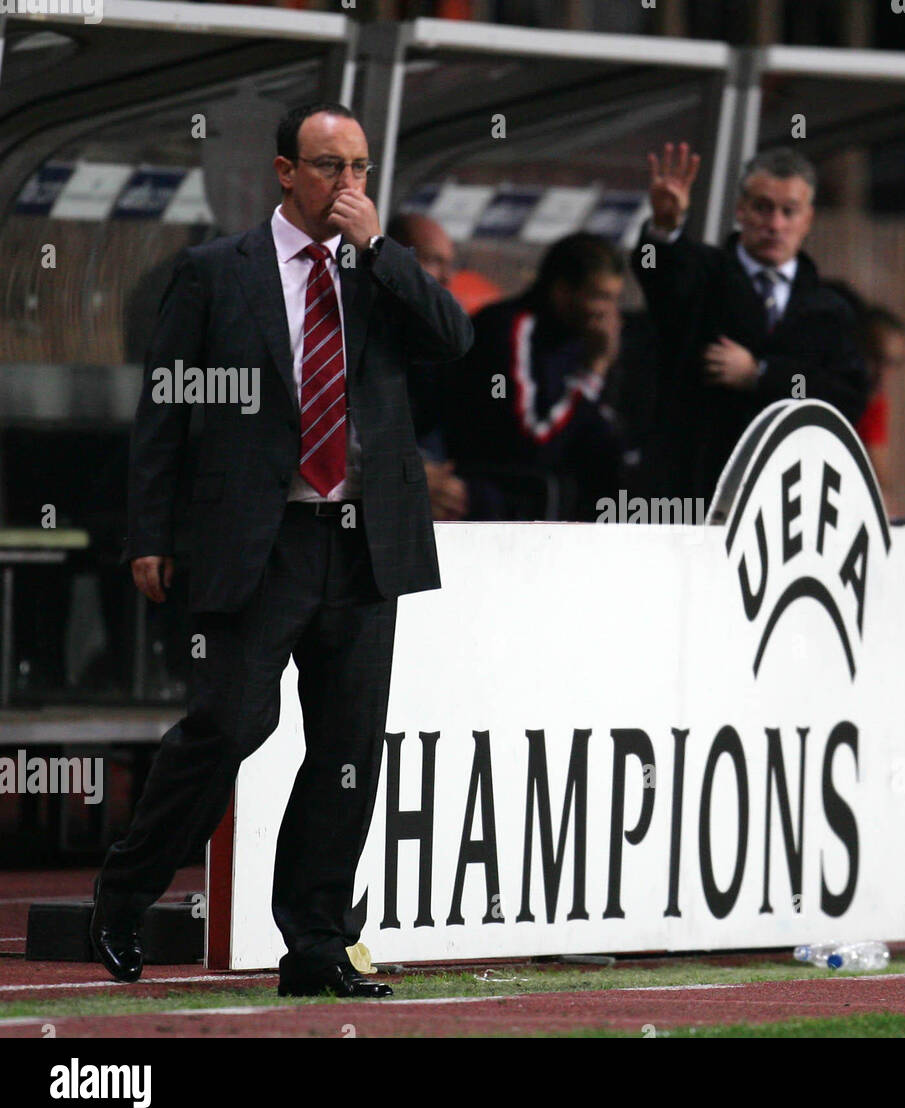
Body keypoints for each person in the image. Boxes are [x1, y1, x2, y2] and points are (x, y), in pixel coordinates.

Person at [90, 102, 473, 998]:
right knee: (229, 723)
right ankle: (126, 890)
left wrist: (383, 252)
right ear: (284, 172)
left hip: (363, 543)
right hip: (258, 543)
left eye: (360, 168)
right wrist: (149, 532)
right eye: (330, 166)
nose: (348, 184)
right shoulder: (214, 273)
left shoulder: (379, 271)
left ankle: (314, 944)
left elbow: (455, 342)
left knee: (348, 747)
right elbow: (165, 413)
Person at [633, 143, 868, 499]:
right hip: (693, 489)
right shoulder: (702, 273)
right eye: (762, 208)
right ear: (740, 210)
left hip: (786, 497)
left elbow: (846, 398)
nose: (775, 224)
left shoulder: (831, 309)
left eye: (789, 212)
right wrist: (663, 228)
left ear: (808, 220)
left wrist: (760, 374)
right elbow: (656, 274)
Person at [437, 233, 627, 520]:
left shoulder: (582, 341)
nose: (608, 312)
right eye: (599, 297)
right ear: (562, 291)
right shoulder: (510, 330)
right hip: (497, 501)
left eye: (614, 299)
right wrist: (594, 371)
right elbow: (536, 443)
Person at [386, 211, 471, 521]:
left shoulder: (440, 349)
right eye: (434, 261)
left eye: (452, 264)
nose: (448, 278)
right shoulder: (352, 333)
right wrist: (408, 473)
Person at [822, 281, 905, 511]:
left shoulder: (873, 403)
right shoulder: (816, 385)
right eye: (876, 358)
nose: (883, 374)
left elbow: (879, 479)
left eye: (893, 365)